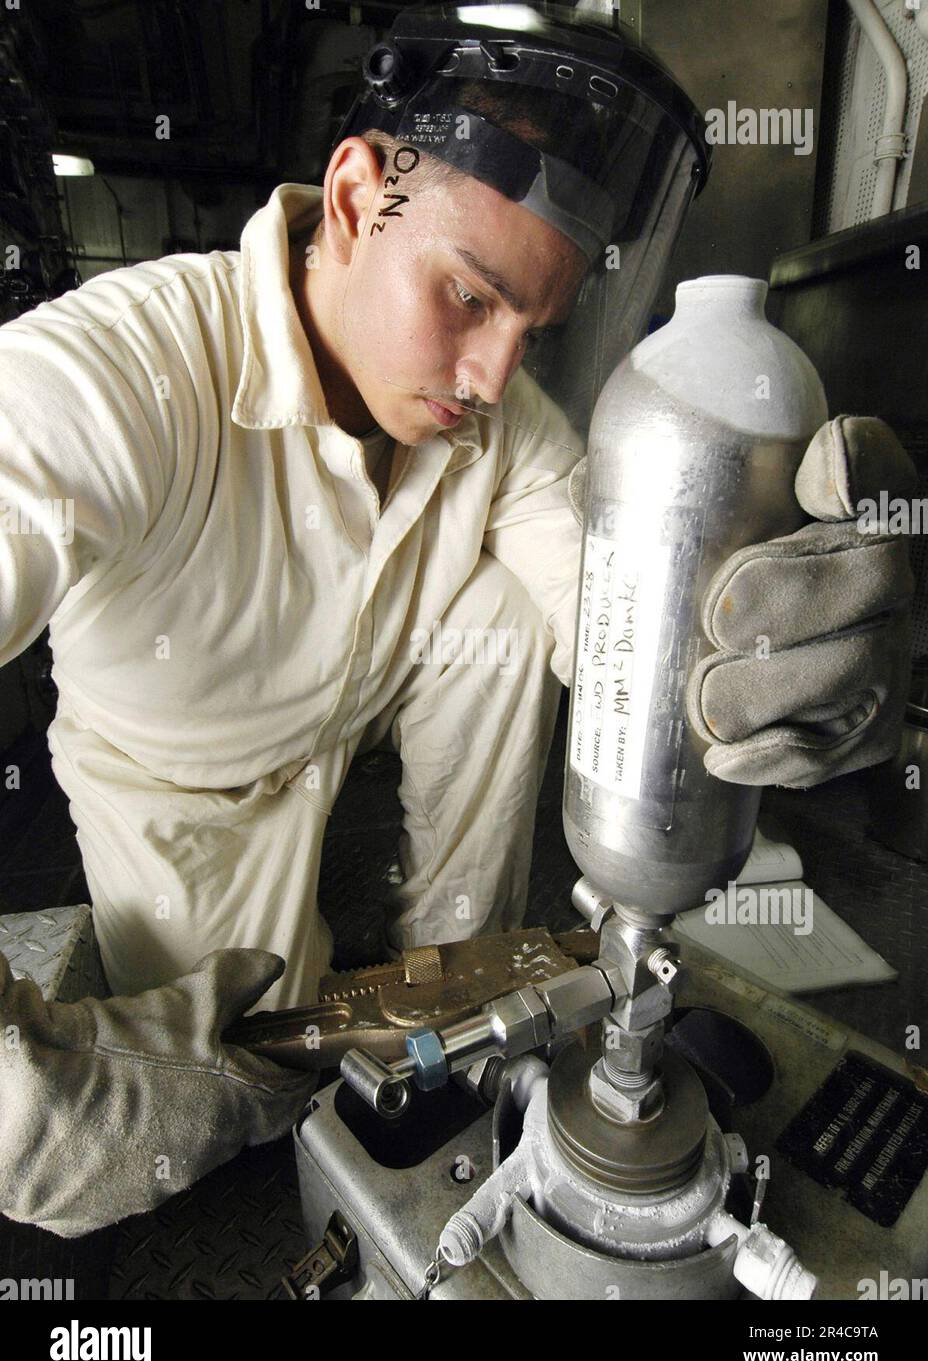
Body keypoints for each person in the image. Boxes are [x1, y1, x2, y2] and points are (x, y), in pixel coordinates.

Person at [0, 3, 915, 1237]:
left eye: (531, 331)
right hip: (188, 780)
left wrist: (762, 670)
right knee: (260, 1070)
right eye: (469, 298)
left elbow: (615, 620)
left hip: (352, 714)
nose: (491, 379)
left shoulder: (493, 417)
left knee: (498, 607)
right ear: (354, 192)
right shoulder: (113, 377)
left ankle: (457, 974)